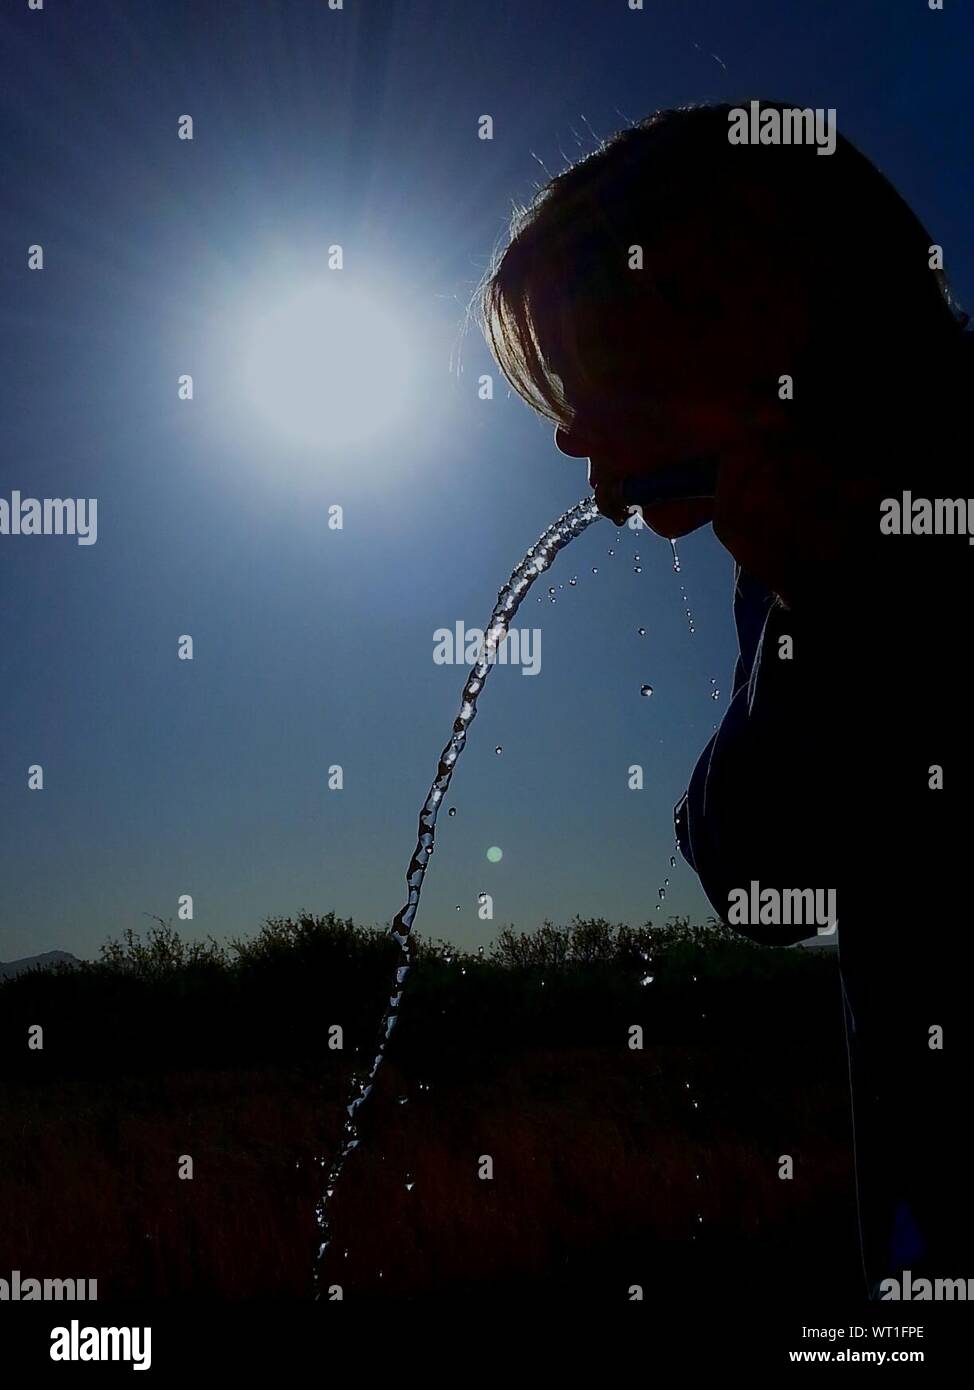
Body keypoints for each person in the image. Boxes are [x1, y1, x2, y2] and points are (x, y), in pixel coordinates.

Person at [479, 100, 973, 1296]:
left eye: (599, 366)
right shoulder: (792, 553)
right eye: (561, 394)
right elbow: (753, 870)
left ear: (771, 307)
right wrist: (823, 597)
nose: (569, 437)